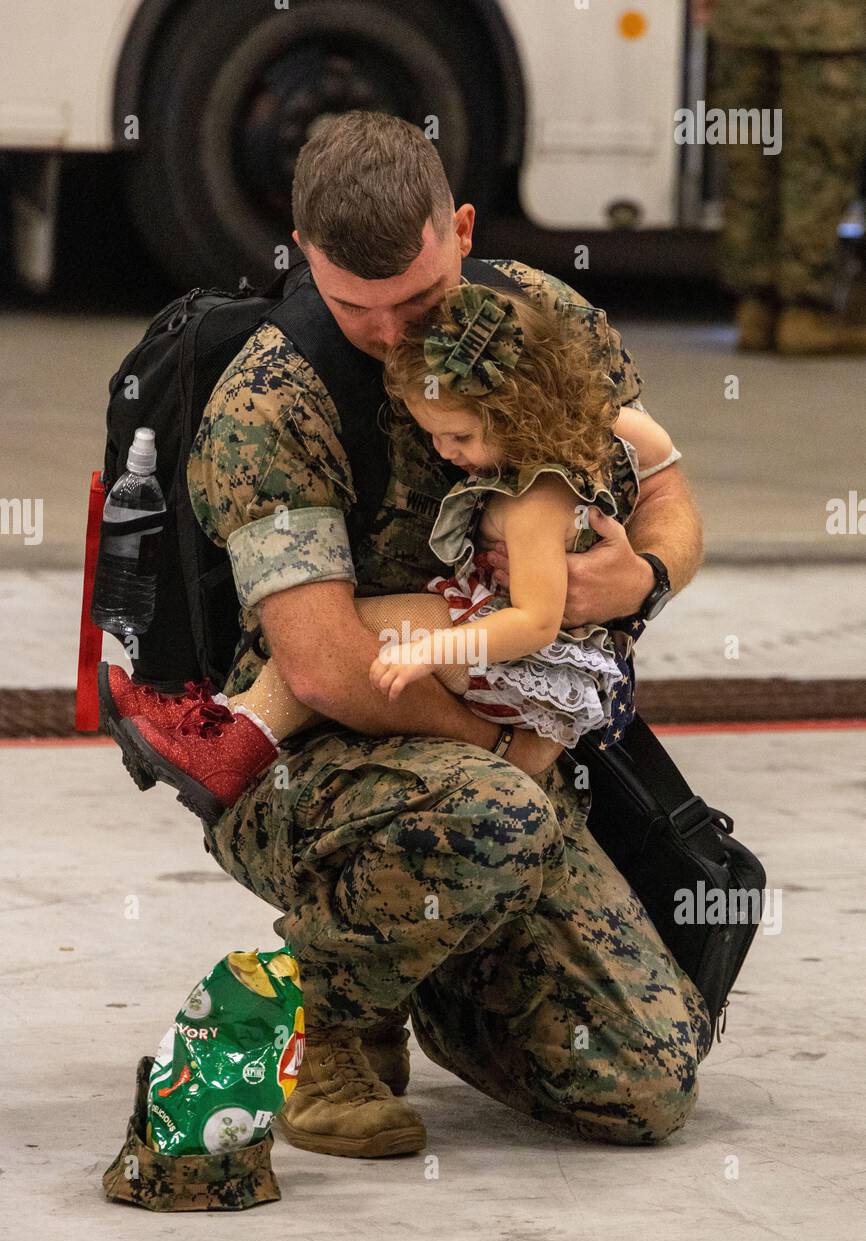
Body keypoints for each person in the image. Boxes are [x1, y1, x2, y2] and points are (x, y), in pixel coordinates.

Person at [110, 111, 711, 1160]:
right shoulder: (272, 399)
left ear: (463, 229)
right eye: (355, 306)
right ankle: (321, 1022)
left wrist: (644, 571)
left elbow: (664, 489)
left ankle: (427, 947)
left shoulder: (539, 324)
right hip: (316, 768)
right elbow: (327, 665)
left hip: (497, 739)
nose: (391, 334)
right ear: (303, 258)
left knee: (641, 1088)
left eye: (418, 302)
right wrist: (505, 761)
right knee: (500, 815)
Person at [112, 284, 679, 819]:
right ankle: (226, 733)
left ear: (519, 413)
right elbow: (658, 450)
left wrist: (433, 651)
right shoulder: (589, 422)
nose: (443, 450)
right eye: (431, 433)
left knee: (336, 639)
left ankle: (226, 745)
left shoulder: (534, 504)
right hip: (507, 642)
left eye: (459, 438)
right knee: (330, 645)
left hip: (527, 661)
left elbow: (534, 621)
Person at [696, 0, 866, 352]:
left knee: (749, 165)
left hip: (741, 23)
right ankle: (804, 314)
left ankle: (755, 311)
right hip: (825, 27)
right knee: (816, 170)